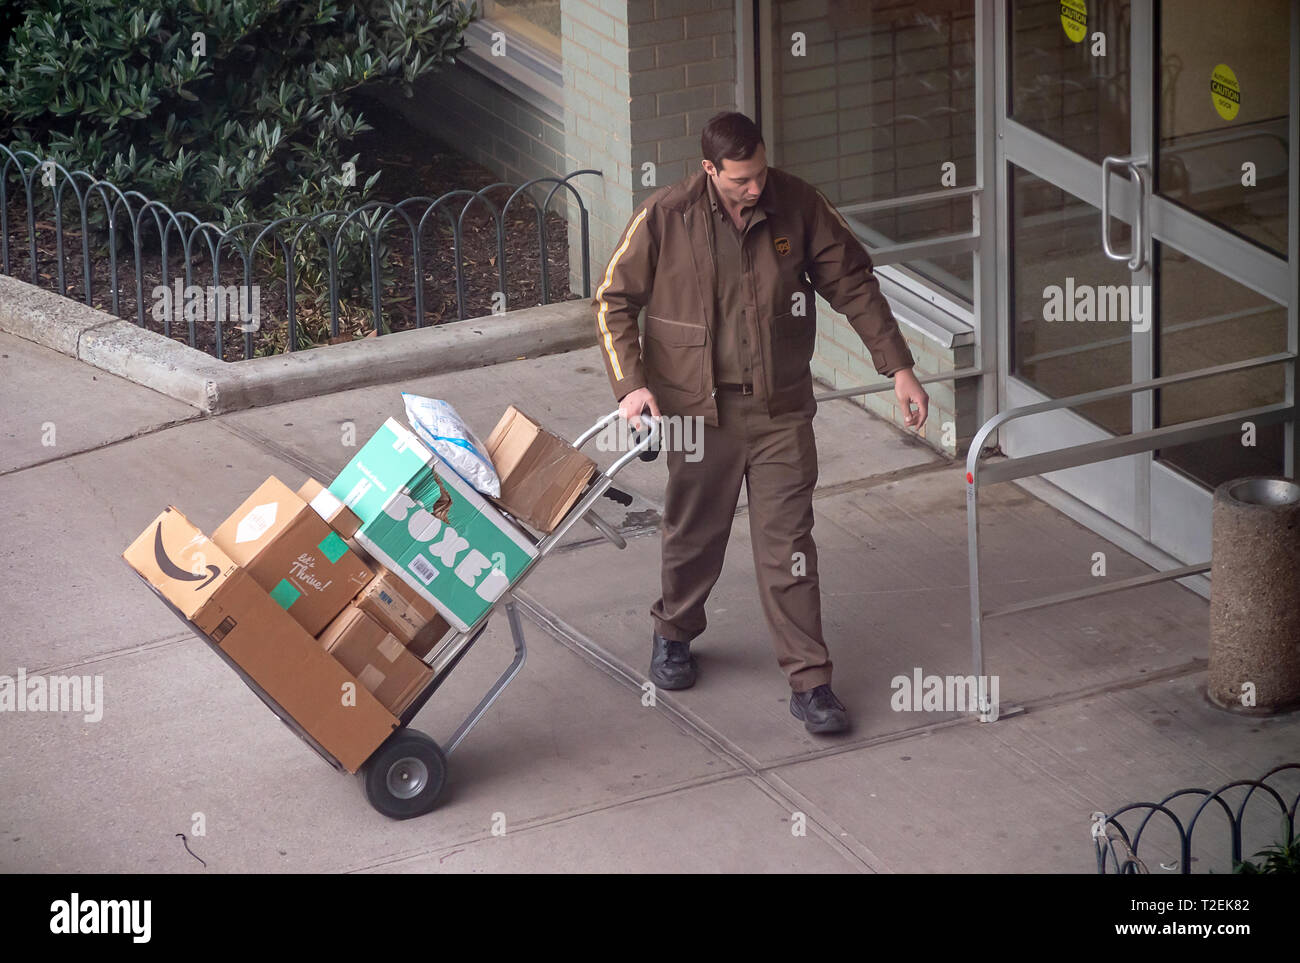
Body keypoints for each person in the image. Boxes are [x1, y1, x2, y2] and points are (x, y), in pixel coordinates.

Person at [591, 111, 928, 734]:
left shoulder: (796, 204)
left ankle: (811, 681)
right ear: (709, 169)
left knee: (789, 548)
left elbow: (852, 282)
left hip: (779, 411)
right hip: (697, 411)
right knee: (692, 534)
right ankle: (674, 631)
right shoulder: (665, 216)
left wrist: (899, 366)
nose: (755, 188)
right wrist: (632, 386)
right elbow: (613, 301)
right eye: (741, 179)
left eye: (761, 172)